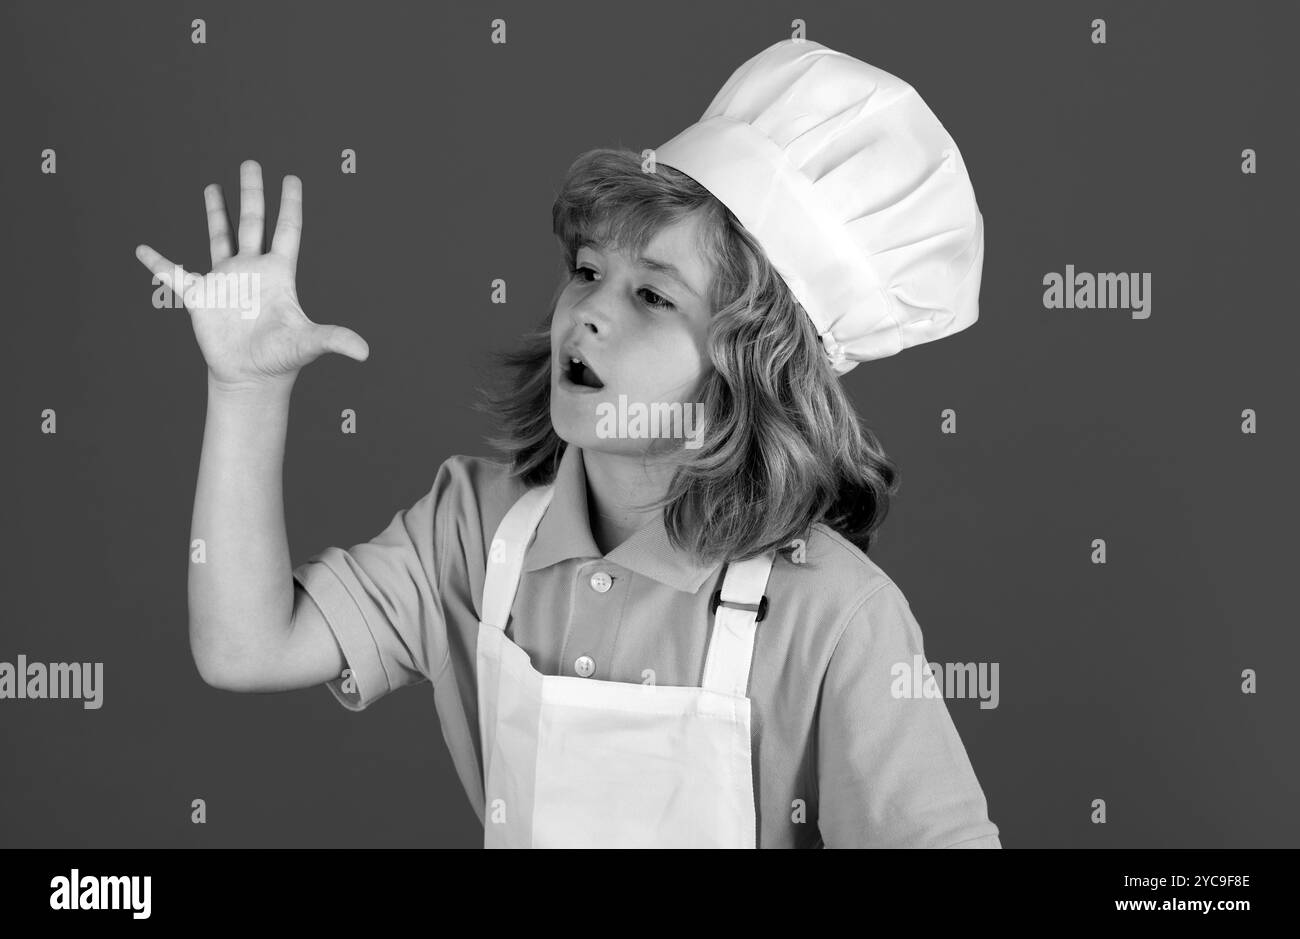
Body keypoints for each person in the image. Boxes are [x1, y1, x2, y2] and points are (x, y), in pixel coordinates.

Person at [135, 38, 999, 848]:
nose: (588, 310)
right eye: (589, 270)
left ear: (752, 367)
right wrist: (246, 389)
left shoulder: (837, 616)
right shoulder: (476, 529)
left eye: (654, 297)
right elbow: (244, 647)